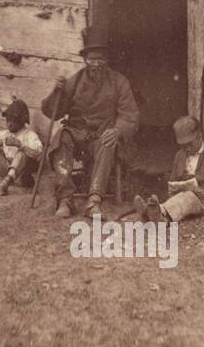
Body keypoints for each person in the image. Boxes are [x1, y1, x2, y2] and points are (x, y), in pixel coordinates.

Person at [38, 26, 139, 218]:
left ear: (107, 60)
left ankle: (94, 200)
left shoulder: (119, 82)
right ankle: (66, 199)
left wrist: (117, 130)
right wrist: (55, 92)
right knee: (61, 137)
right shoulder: (74, 82)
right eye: (92, 59)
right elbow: (53, 113)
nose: (97, 64)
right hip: (77, 132)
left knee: (108, 140)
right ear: (85, 60)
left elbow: (130, 115)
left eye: (101, 58)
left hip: (102, 133)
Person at [134, 116, 204, 222]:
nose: (187, 148)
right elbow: (173, 181)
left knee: (187, 198)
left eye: (189, 144)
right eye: (183, 145)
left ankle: (160, 215)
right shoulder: (180, 155)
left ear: (199, 136)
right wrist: (174, 186)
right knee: (180, 197)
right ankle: (152, 213)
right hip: (181, 196)